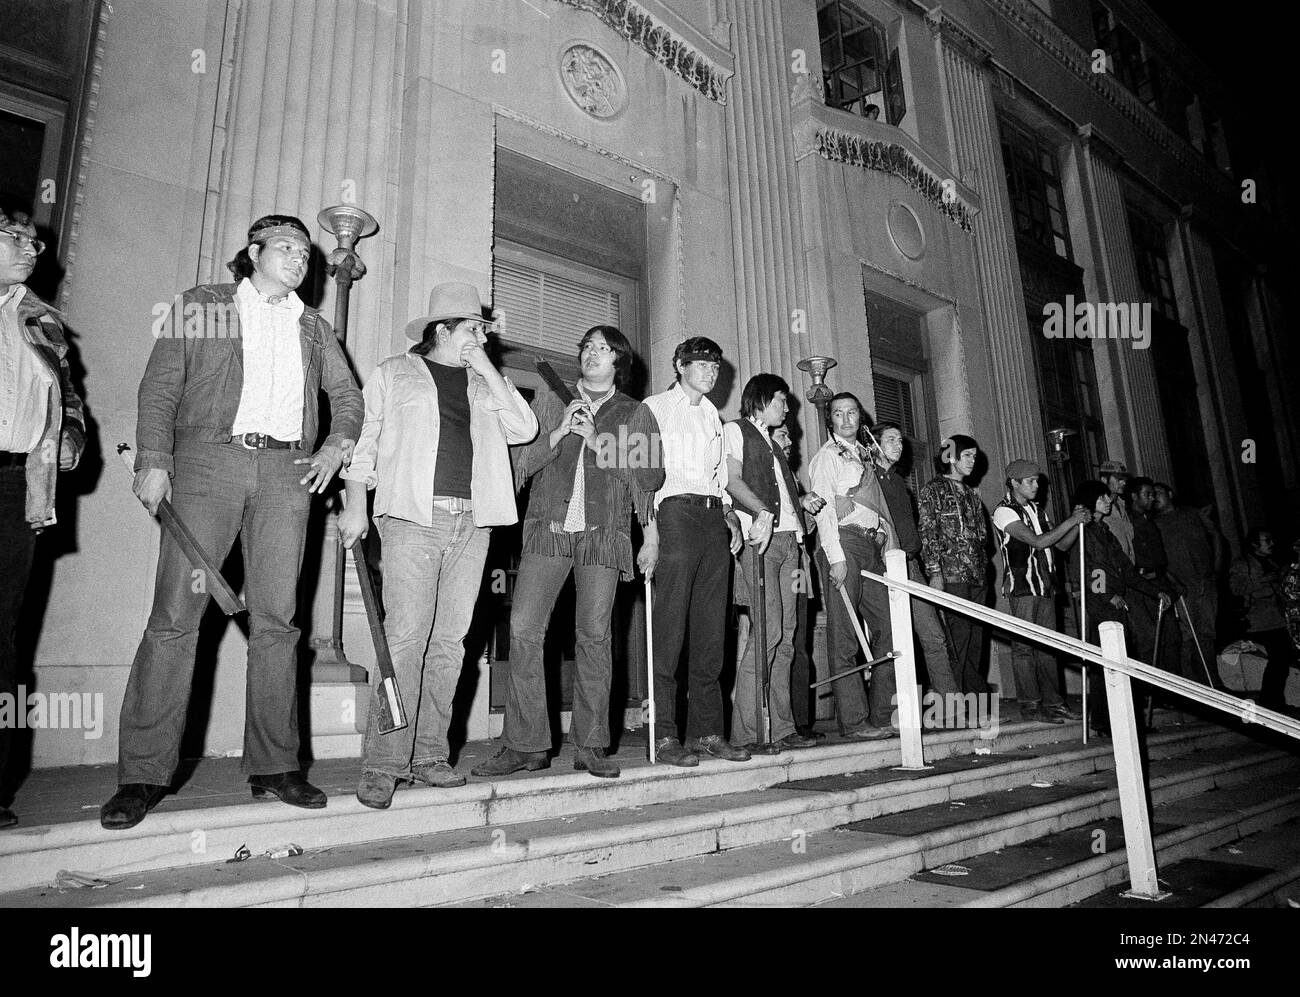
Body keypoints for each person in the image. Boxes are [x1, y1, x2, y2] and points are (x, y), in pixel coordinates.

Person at [103, 214, 363, 830]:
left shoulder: (313, 327)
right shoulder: (205, 305)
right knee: (175, 615)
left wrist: (335, 445)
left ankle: (276, 766)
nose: (302, 259)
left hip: (285, 476)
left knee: (278, 621)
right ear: (253, 252)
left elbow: (348, 398)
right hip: (207, 466)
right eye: (288, 248)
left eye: (308, 253)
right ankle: (142, 774)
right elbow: (160, 387)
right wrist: (155, 460)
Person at [339, 283, 537, 807]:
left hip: (474, 523)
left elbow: (525, 426)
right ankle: (384, 762)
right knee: (405, 640)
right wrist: (355, 505)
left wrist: (487, 367)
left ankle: (429, 755)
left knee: (451, 643)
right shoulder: (392, 372)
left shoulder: (483, 382)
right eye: (473, 329)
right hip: (411, 518)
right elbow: (365, 442)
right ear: (442, 330)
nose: (481, 338)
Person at [470, 326, 660, 781]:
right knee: (524, 629)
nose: (593, 354)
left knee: (594, 637)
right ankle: (525, 744)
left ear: (619, 362)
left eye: (604, 349)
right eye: (587, 347)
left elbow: (650, 477)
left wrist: (597, 440)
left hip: (603, 532)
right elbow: (519, 461)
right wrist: (558, 431)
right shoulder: (552, 398)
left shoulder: (636, 413)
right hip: (548, 529)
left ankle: (591, 745)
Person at [0, 205, 85, 830]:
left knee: (3, 639)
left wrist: (71, 440)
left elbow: (70, 399)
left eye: (34, 240)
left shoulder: (41, 319)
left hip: (14, 485)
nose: (32, 249)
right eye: (14, 238)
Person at [640, 337, 746, 767]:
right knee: (667, 633)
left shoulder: (714, 418)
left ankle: (707, 732)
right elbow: (640, 476)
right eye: (702, 363)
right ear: (680, 366)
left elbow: (719, 478)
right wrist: (649, 535)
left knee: (710, 633)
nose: (711, 370)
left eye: (715, 365)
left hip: (710, 520)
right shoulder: (652, 408)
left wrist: (731, 516)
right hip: (673, 515)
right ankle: (663, 736)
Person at [723, 374, 818, 752]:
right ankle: (747, 733)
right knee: (767, 636)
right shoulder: (736, 430)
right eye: (781, 400)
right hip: (761, 544)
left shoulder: (774, 444)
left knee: (788, 639)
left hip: (792, 548)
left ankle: (782, 727)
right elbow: (731, 481)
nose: (786, 408)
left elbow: (782, 492)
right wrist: (761, 511)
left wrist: (803, 505)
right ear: (760, 399)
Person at [809, 393, 897, 739]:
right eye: (838, 414)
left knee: (888, 630)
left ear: (861, 418)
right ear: (830, 420)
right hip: (845, 543)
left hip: (872, 545)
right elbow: (825, 508)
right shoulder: (827, 457)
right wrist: (836, 558)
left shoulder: (866, 456)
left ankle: (883, 714)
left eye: (852, 413)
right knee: (845, 635)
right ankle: (855, 721)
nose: (846, 419)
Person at [860, 422, 964, 711]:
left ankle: (950, 707)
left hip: (911, 564)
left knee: (933, 635)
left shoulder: (898, 481)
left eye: (900, 440)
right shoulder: (869, 478)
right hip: (886, 565)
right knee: (892, 640)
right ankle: (888, 711)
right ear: (874, 444)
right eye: (891, 439)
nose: (899, 445)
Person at [1069, 480, 1173, 736]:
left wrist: (1154, 591)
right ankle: (1104, 722)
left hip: (1115, 603)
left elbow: (1125, 569)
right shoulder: (1085, 532)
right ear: (1092, 501)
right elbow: (1086, 569)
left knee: (1123, 662)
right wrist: (1107, 595)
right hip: (1098, 607)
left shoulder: (1104, 532)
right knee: (1104, 666)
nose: (1109, 502)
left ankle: (1128, 722)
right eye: (1104, 498)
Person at [992, 460, 1088, 723]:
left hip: (1046, 586)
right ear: (1014, 483)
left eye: (1037, 480)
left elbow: (1062, 546)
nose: (1036, 485)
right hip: (1023, 587)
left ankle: (1055, 704)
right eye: (1030, 481)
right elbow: (1036, 541)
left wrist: (1077, 525)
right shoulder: (1004, 512)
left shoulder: (1037, 510)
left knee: (1048, 647)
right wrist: (1070, 520)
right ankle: (1031, 705)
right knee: (1024, 647)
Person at [919, 434, 991, 695]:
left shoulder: (972, 495)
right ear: (951, 456)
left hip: (977, 576)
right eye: (968, 455)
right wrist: (935, 573)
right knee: (957, 639)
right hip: (951, 576)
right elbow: (928, 533)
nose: (973, 460)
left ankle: (976, 698)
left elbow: (982, 540)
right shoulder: (933, 490)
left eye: (974, 455)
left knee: (976, 641)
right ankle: (952, 700)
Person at [771, 424, 823, 737]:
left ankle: (800, 720)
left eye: (787, 436)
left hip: (800, 569)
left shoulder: (792, 479)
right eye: (782, 435)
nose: (790, 441)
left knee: (800, 640)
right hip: (778, 566)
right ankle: (777, 719)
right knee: (780, 640)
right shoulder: (767, 477)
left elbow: (805, 530)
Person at [1152, 482, 1219, 685]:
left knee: (1207, 632)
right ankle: (1192, 685)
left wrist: (1217, 567)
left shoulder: (1193, 514)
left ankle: (1212, 682)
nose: (1155, 498)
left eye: (1159, 493)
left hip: (1205, 582)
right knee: (1188, 636)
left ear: (1170, 494)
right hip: (1180, 586)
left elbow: (1216, 536)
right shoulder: (1154, 523)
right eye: (1152, 495)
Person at [1228, 529, 1295, 710]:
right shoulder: (1243, 564)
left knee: (1282, 658)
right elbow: (1236, 588)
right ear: (1255, 545)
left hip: (1277, 618)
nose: (1271, 544)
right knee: (1279, 657)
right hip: (1258, 620)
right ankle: (1271, 700)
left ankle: (1273, 699)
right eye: (1267, 540)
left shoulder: (1271, 562)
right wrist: (1263, 580)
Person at [1126, 477, 1183, 686]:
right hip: (1142, 584)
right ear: (1134, 496)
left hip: (1160, 580)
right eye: (1147, 494)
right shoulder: (1129, 521)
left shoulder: (1149, 520)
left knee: (1171, 636)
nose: (1152, 498)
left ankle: (1175, 687)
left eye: (1153, 494)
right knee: (1149, 638)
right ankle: (1153, 689)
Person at [1099, 459, 1134, 560]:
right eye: (1119, 479)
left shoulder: (1122, 504)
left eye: (1124, 479)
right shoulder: (1099, 508)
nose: (1123, 482)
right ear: (1104, 480)